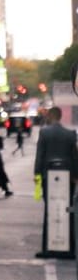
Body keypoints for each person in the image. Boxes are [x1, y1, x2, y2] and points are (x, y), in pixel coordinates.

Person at [33, 107, 78, 256]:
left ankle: (48, 246)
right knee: (67, 210)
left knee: (50, 210)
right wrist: (75, 176)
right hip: (67, 177)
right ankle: (70, 246)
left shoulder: (44, 133)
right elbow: (75, 157)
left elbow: (40, 156)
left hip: (49, 176)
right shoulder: (70, 134)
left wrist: (37, 175)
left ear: (50, 116)